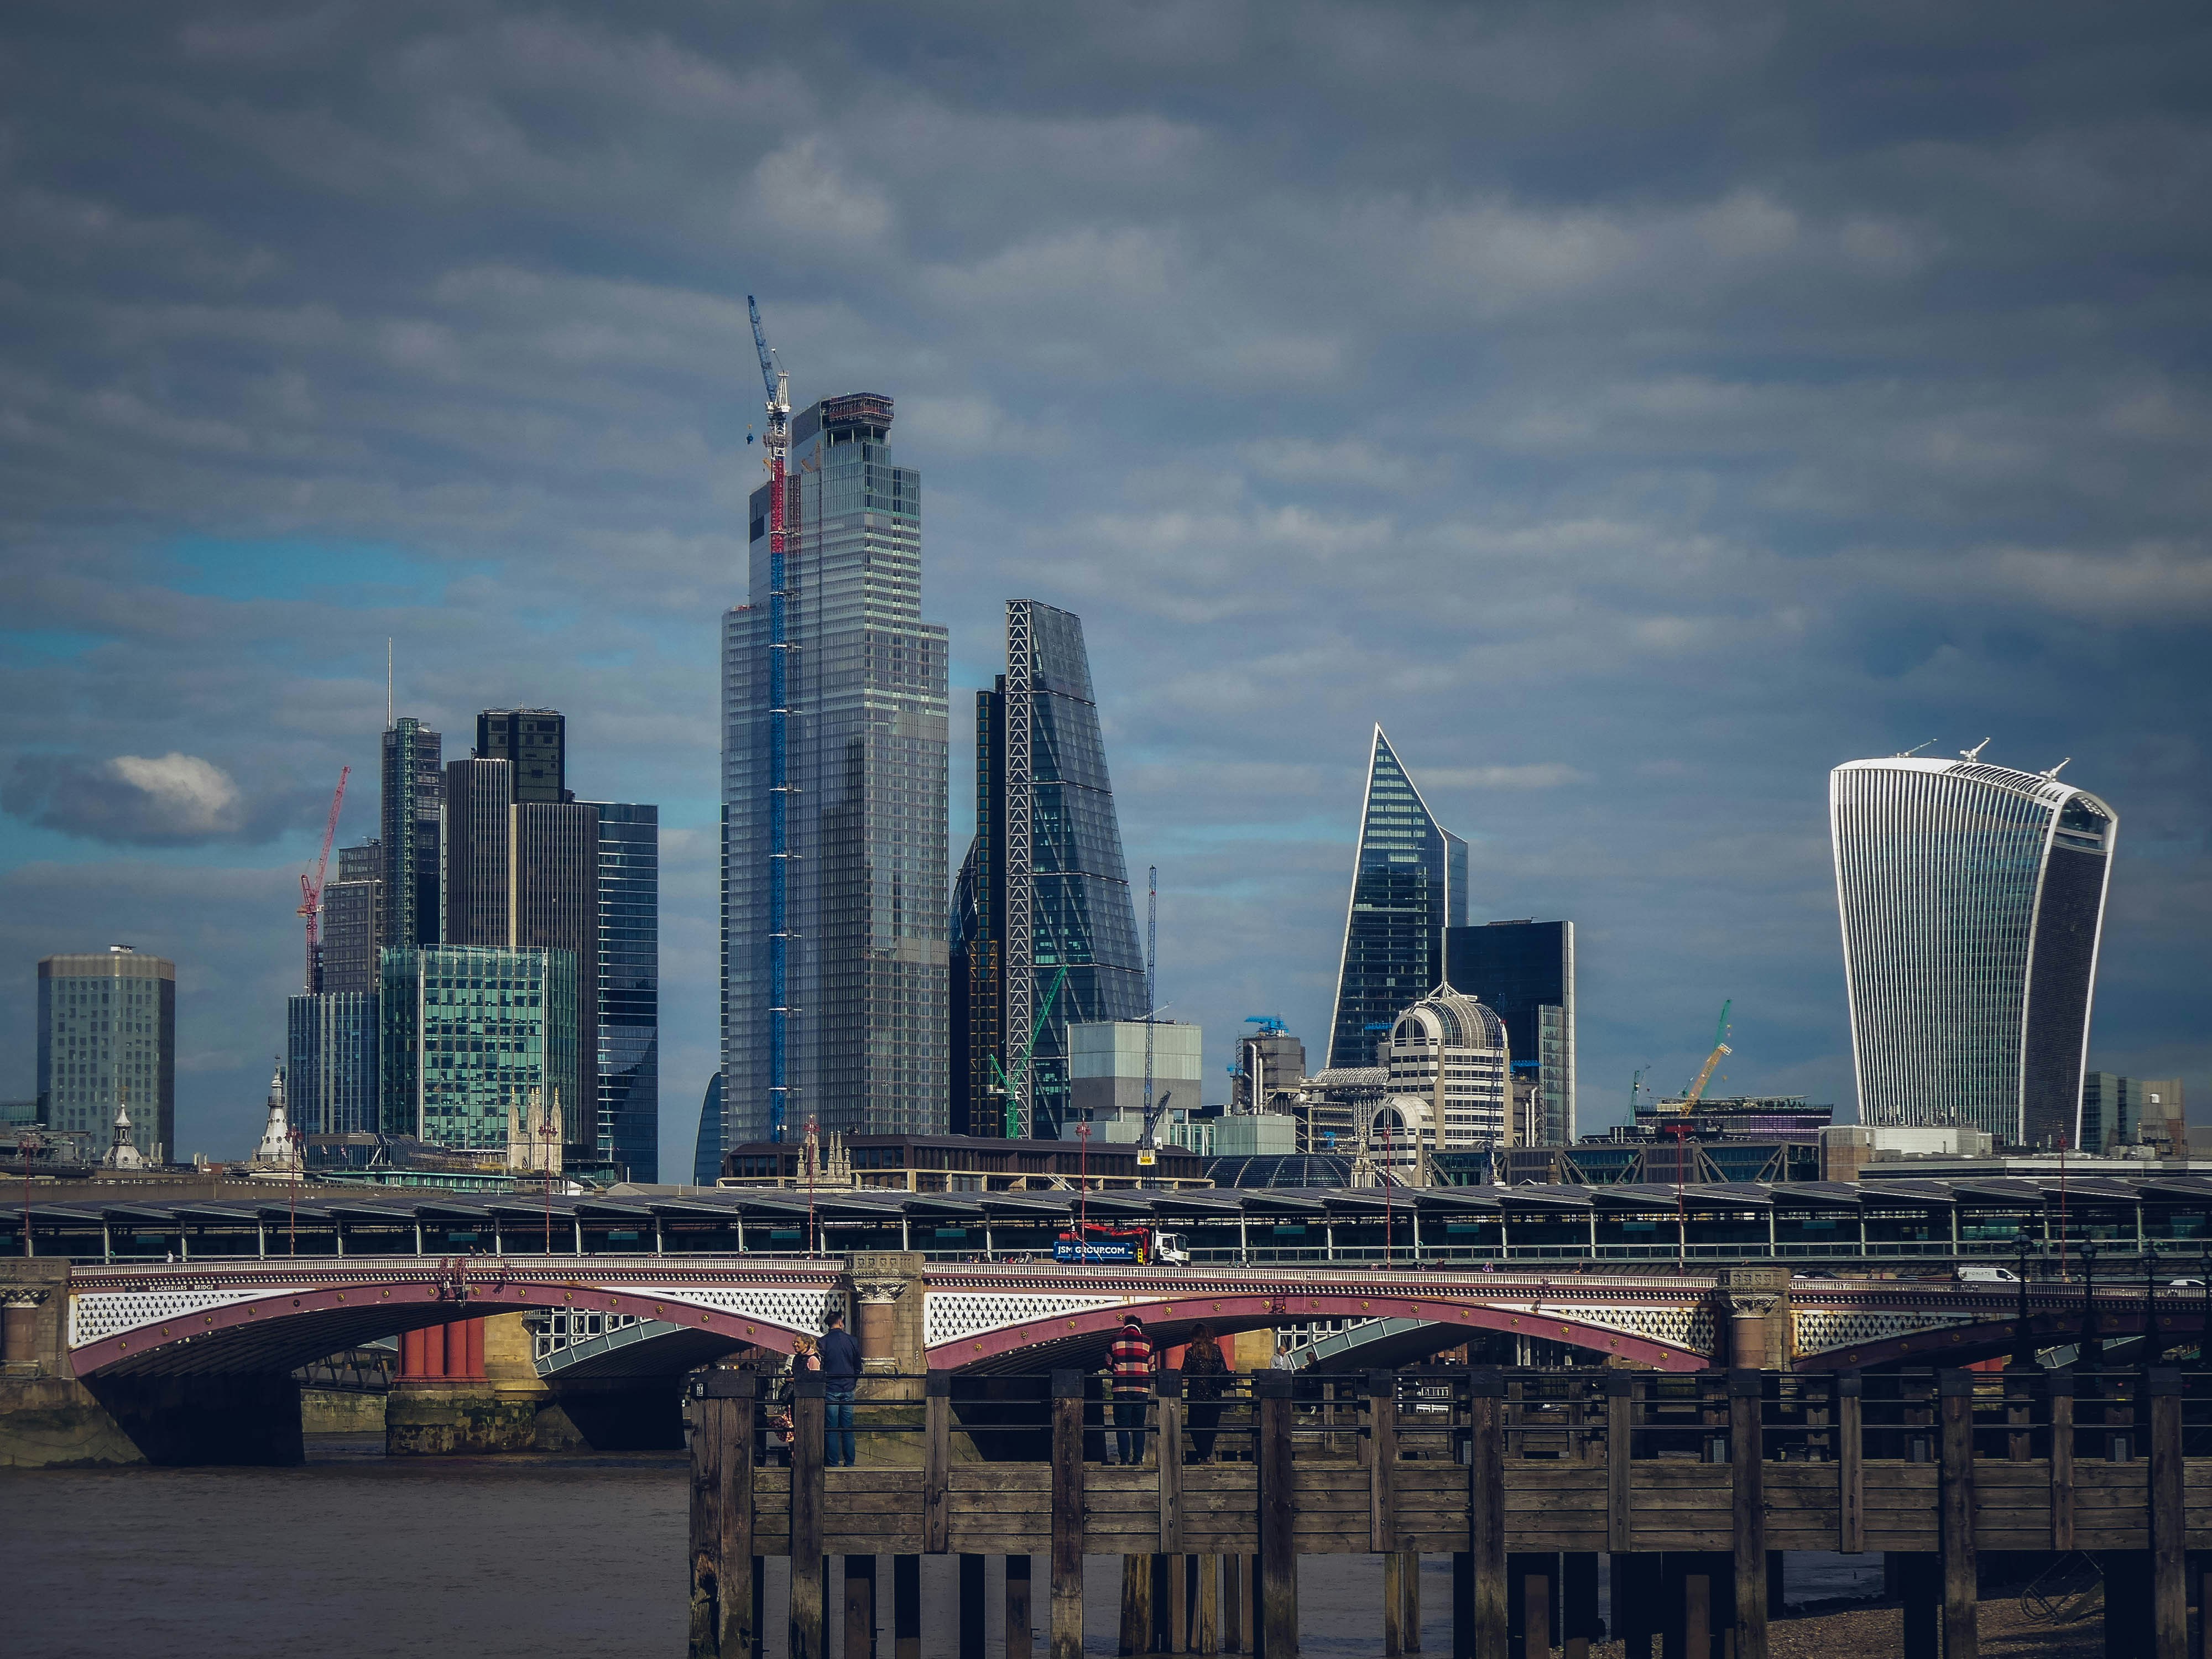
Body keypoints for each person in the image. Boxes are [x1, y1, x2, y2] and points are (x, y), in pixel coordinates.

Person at [1109, 1313, 1154, 1466]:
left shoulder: (1115, 1340)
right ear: (1139, 1326)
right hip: (1141, 1388)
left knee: (1122, 1425)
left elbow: (1108, 1362)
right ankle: (1138, 1459)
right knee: (1139, 1425)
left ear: (1125, 1324)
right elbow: (1150, 1364)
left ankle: (1124, 1460)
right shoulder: (1148, 1341)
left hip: (1121, 1387)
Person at [818, 1310, 862, 1467]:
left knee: (831, 1428)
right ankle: (850, 1462)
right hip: (848, 1387)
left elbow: (820, 1367)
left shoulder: (822, 1342)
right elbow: (858, 1365)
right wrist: (853, 1380)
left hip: (831, 1388)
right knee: (848, 1428)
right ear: (841, 1323)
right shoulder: (852, 1341)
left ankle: (833, 1462)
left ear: (828, 1325)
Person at [1181, 1323, 1229, 1463]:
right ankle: (1207, 1455)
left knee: (1195, 1426)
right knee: (1211, 1427)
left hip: (1196, 1395)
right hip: (1214, 1395)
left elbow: (1185, 1372)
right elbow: (1223, 1369)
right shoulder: (1216, 1350)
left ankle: (1203, 1455)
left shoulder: (1191, 1352)